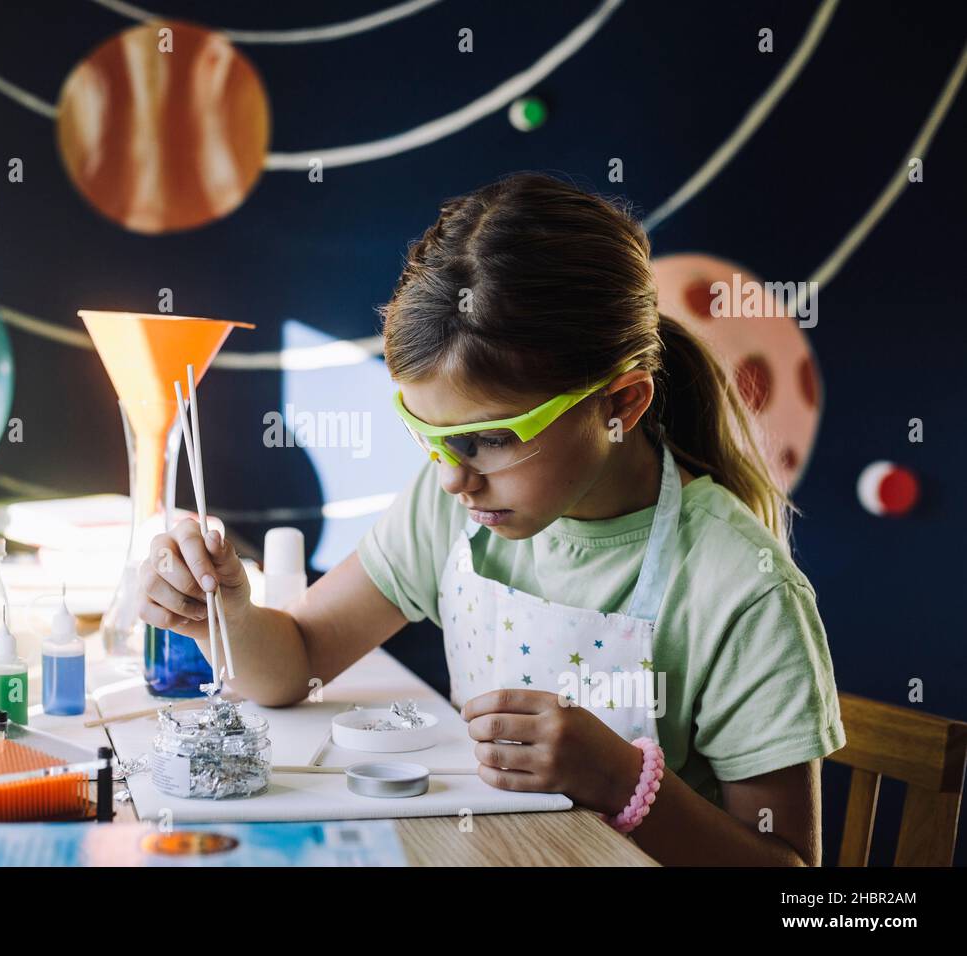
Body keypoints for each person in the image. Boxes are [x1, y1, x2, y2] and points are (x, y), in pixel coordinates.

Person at [139, 172, 845, 866]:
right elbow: (295, 663)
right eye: (430, 435)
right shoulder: (452, 504)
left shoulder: (742, 588)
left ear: (621, 406)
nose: (453, 476)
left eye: (490, 439)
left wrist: (622, 782)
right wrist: (220, 611)